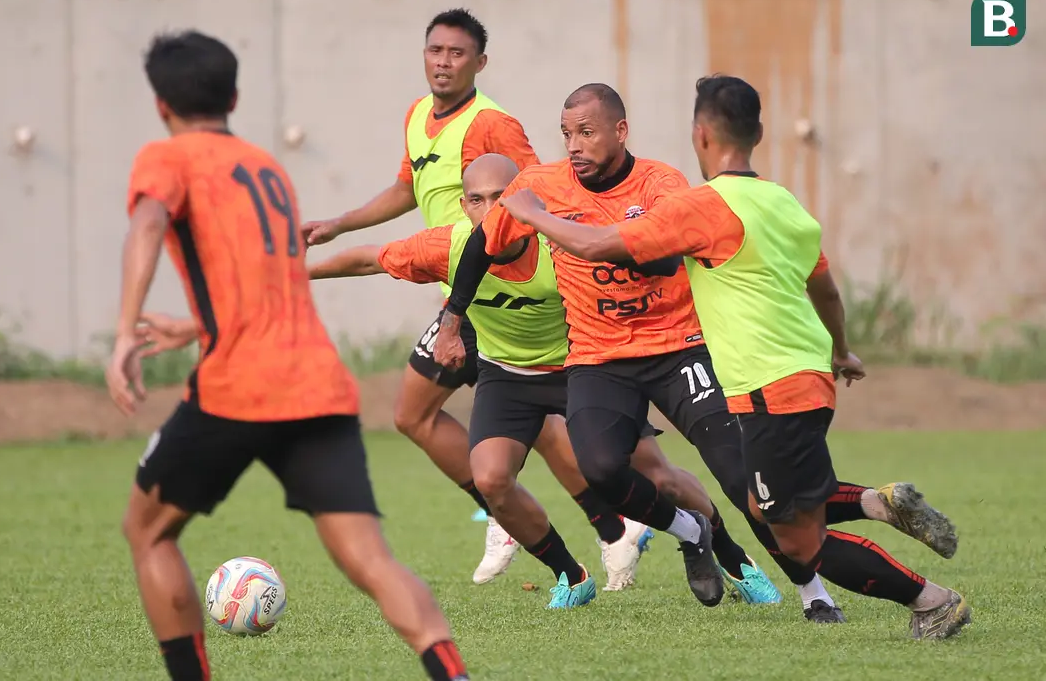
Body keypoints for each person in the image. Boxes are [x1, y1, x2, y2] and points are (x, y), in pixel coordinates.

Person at [495, 74, 970, 640]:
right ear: (759, 134)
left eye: (586, 132)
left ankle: (923, 598)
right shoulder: (782, 200)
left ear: (699, 137)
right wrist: (842, 349)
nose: (573, 144)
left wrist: (531, 211)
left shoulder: (696, 204)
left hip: (755, 380)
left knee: (791, 528)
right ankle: (875, 504)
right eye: (566, 133)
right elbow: (826, 289)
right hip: (804, 375)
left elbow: (602, 246)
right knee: (761, 497)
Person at [104, 30, 470, 681]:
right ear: (235, 97)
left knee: (148, 532)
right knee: (370, 561)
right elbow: (266, 280)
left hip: (237, 386)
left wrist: (125, 329)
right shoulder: (266, 169)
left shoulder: (166, 157)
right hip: (319, 384)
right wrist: (197, 326)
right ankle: (452, 672)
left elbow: (146, 227)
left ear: (160, 105)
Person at [309, 153, 757, 603]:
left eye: (500, 198)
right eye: (476, 200)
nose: (489, 210)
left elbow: (633, 262)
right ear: (464, 207)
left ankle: (735, 559)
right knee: (491, 479)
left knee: (657, 475)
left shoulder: (558, 242)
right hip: (508, 378)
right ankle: (571, 575)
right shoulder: (450, 247)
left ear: (524, 200)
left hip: (582, 368)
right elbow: (369, 260)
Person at [300, 8, 541, 584]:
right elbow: (407, 189)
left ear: (479, 62)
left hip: (503, 288)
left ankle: (617, 516)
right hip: (459, 288)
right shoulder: (417, 115)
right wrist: (341, 223)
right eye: (436, 50)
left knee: (546, 418)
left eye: (457, 53)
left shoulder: (493, 124)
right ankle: (547, 511)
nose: (443, 61)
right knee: (417, 414)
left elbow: (537, 196)